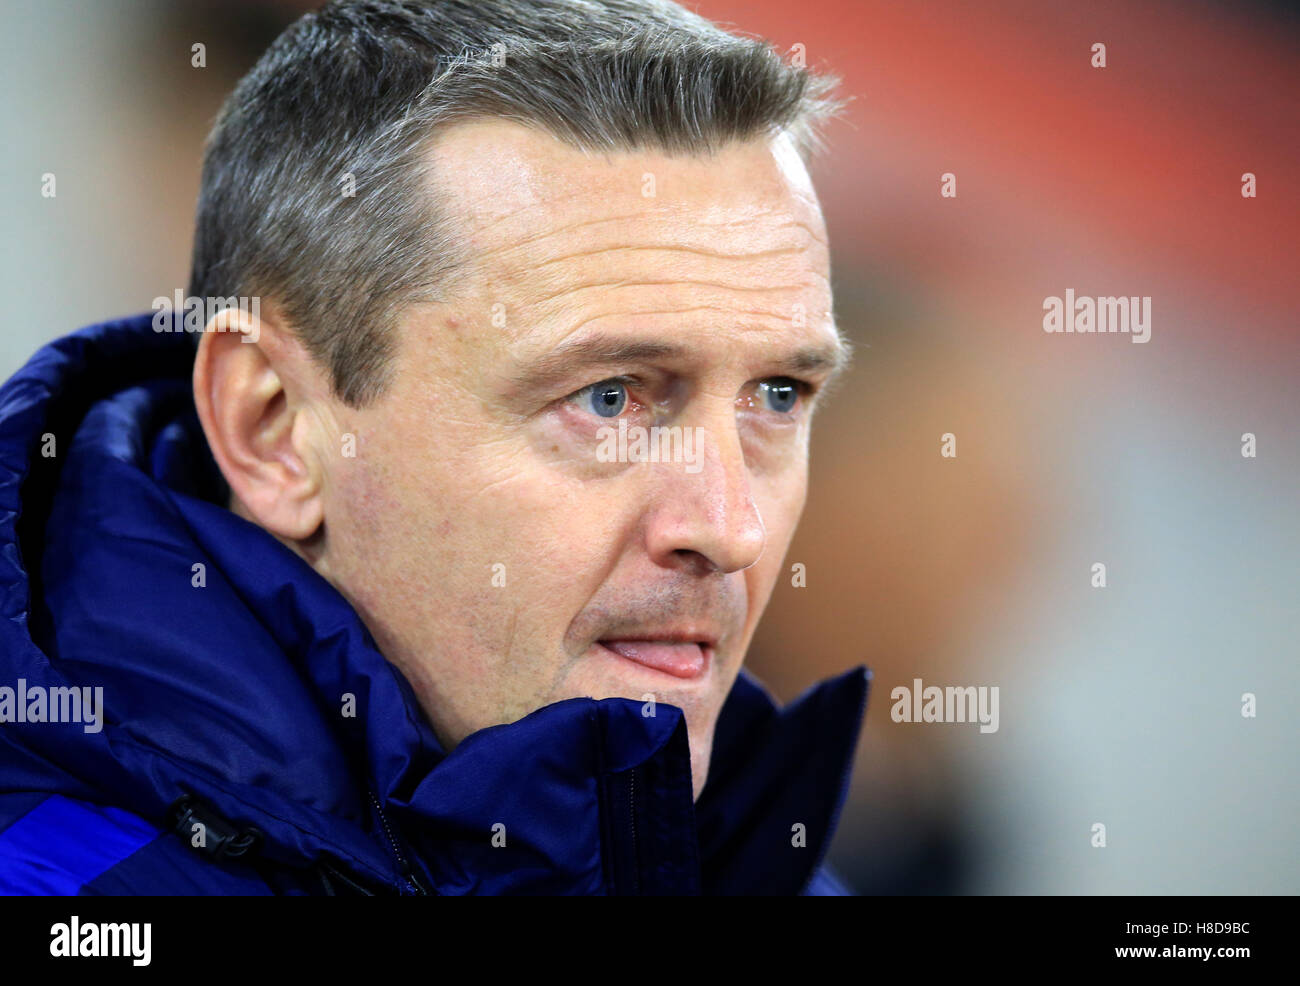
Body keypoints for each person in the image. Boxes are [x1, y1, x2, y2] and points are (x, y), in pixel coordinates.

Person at [0, 0, 868, 895]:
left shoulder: (752, 858)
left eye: (776, 396)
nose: (731, 530)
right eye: (609, 399)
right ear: (274, 429)